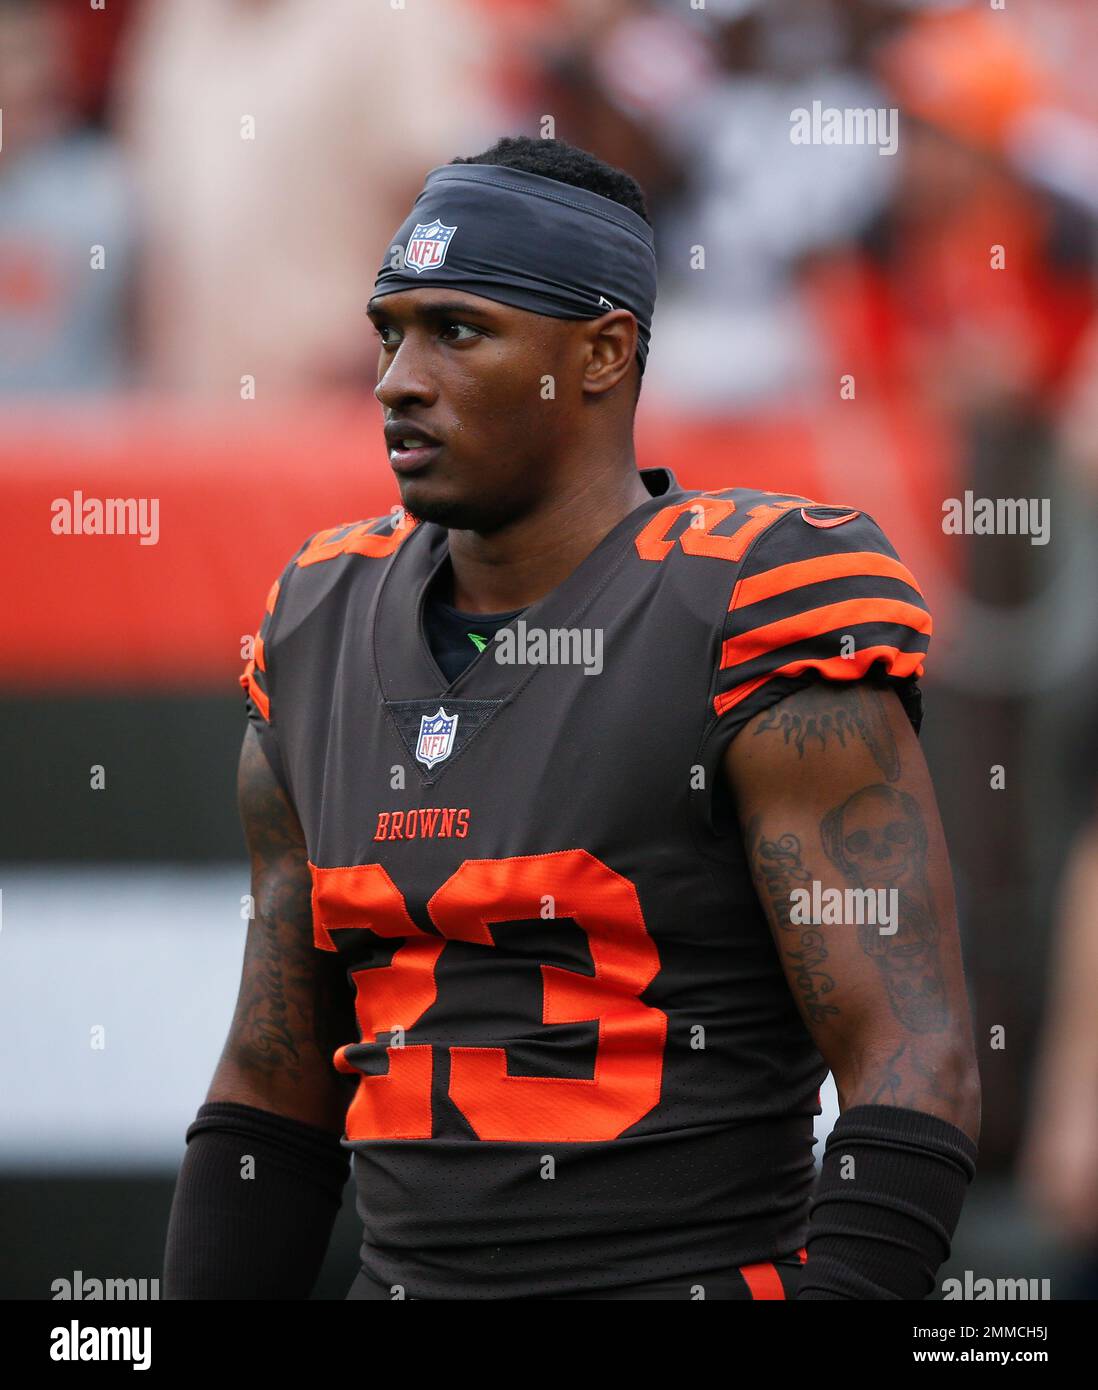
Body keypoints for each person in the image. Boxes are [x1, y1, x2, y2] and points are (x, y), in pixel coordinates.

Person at [164, 135, 980, 1300]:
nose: (398, 375)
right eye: (390, 329)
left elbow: (914, 1059)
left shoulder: (749, 604)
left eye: (458, 330)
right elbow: (271, 1078)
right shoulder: (317, 622)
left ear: (600, 355)